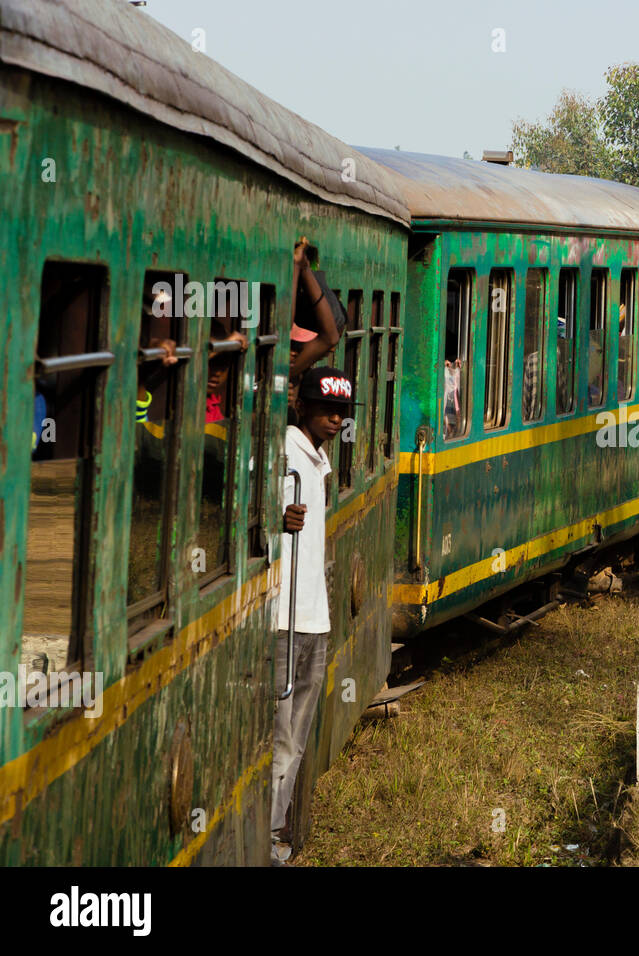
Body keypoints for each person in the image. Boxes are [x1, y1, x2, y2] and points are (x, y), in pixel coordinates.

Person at [271, 366, 357, 865]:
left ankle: (274, 834)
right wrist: (276, 519)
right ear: (301, 405)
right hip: (284, 619)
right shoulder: (285, 453)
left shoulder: (318, 458)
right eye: (326, 407)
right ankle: (267, 841)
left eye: (341, 410)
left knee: (294, 742)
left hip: (313, 620)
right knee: (281, 741)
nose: (335, 417)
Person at [288, 238, 345, 378]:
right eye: (296, 344)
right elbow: (330, 338)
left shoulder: (287, 375)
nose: (331, 350)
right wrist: (301, 268)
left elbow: (330, 339)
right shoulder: (284, 375)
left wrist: (301, 268)